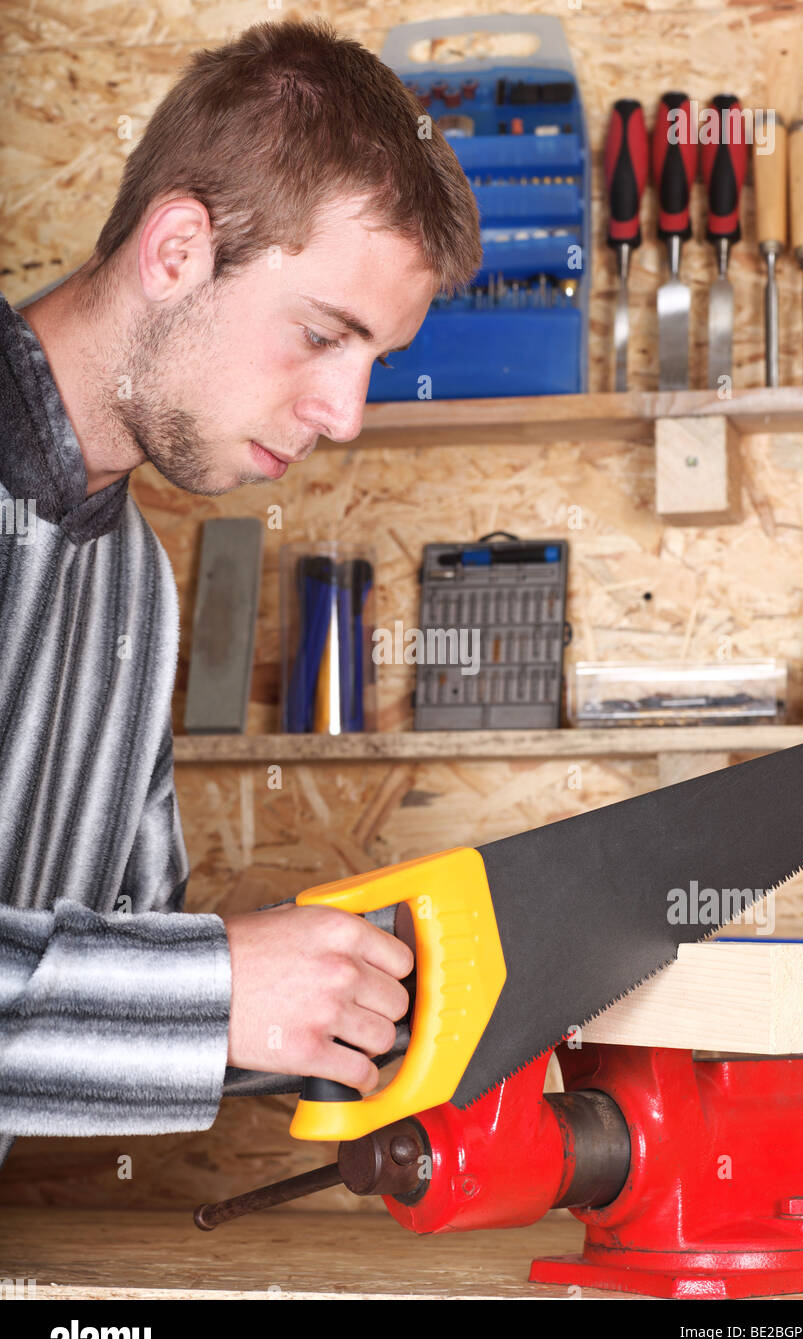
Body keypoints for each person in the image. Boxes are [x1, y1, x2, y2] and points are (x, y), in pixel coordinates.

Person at [0, 18, 482, 1166]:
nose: (345, 414)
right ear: (175, 252)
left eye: (371, 359)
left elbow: (127, 940)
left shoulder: (132, 587)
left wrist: (347, 988)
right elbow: (174, 986)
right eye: (321, 334)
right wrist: (215, 987)